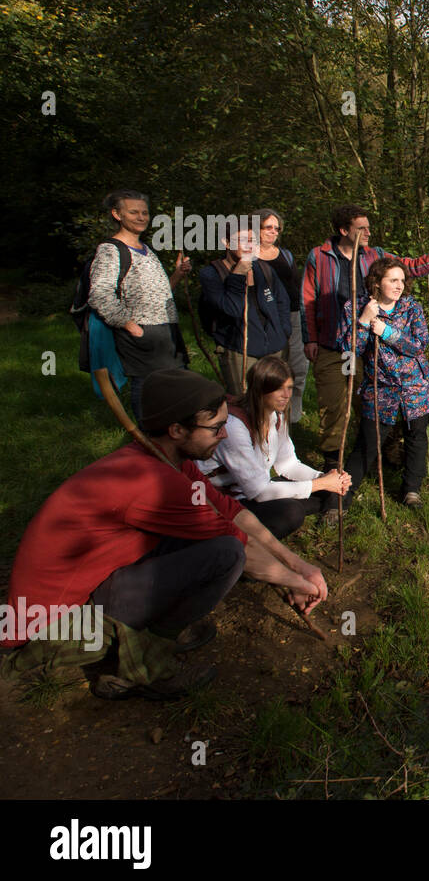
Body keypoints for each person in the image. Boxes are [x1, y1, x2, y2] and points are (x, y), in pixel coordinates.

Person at [1, 369, 328, 701]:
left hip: (101, 583)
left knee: (219, 543)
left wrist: (298, 565)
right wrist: (296, 583)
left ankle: (150, 634)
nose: (225, 436)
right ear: (176, 430)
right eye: (216, 428)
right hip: (54, 624)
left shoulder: (168, 459)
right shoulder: (153, 482)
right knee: (226, 554)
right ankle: (148, 664)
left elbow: (230, 512)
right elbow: (238, 548)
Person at [302, 204, 429, 471]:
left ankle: (375, 458)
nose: (369, 232)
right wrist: (309, 337)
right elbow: (308, 300)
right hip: (334, 345)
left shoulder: (376, 256)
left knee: (368, 405)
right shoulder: (319, 257)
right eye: (362, 228)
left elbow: (410, 268)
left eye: (369, 226)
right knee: (334, 405)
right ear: (344, 230)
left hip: (369, 350)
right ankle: (333, 464)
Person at [197, 356, 351, 537]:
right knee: (291, 512)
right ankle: (242, 540)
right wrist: (320, 483)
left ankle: (259, 530)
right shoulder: (234, 426)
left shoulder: (277, 416)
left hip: (256, 492)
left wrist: (327, 479)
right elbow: (260, 492)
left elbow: (288, 465)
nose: (286, 395)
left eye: (289, 388)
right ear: (261, 389)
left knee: (325, 493)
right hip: (224, 500)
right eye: (279, 389)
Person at [341, 259, 429, 509]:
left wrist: (386, 331)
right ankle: (342, 496)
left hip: (416, 386)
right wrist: (364, 321)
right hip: (380, 388)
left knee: (417, 437)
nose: (399, 286)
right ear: (376, 282)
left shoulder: (411, 307)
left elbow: (418, 345)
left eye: (402, 280)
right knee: (368, 442)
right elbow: (349, 350)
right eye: (392, 280)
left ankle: (412, 491)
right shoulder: (356, 307)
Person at [87, 189, 191, 419]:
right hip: (142, 336)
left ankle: (171, 441)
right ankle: (148, 443)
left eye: (144, 212)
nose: (141, 217)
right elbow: (99, 294)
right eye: (133, 212)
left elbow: (160, 293)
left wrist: (176, 274)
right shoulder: (111, 250)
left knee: (175, 391)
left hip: (166, 333)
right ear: (117, 214)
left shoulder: (146, 250)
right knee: (149, 392)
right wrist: (130, 326)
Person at [198, 225, 292, 395]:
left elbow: (282, 302)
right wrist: (238, 275)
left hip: (275, 349)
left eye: (253, 241)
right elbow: (232, 309)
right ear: (226, 243)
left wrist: (283, 331)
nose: (249, 245)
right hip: (239, 350)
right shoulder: (212, 274)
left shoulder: (263, 269)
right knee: (245, 403)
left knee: (277, 401)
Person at [252, 209, 309, 423]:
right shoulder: (246, 255)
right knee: (271, 371)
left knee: (297, 368)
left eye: (277, 228)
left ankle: (291, 420)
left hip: (294, 316)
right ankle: (265, 418)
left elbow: (296, 285)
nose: (273, 232)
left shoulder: (285, 255)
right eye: (268, 227)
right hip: (266, 321)